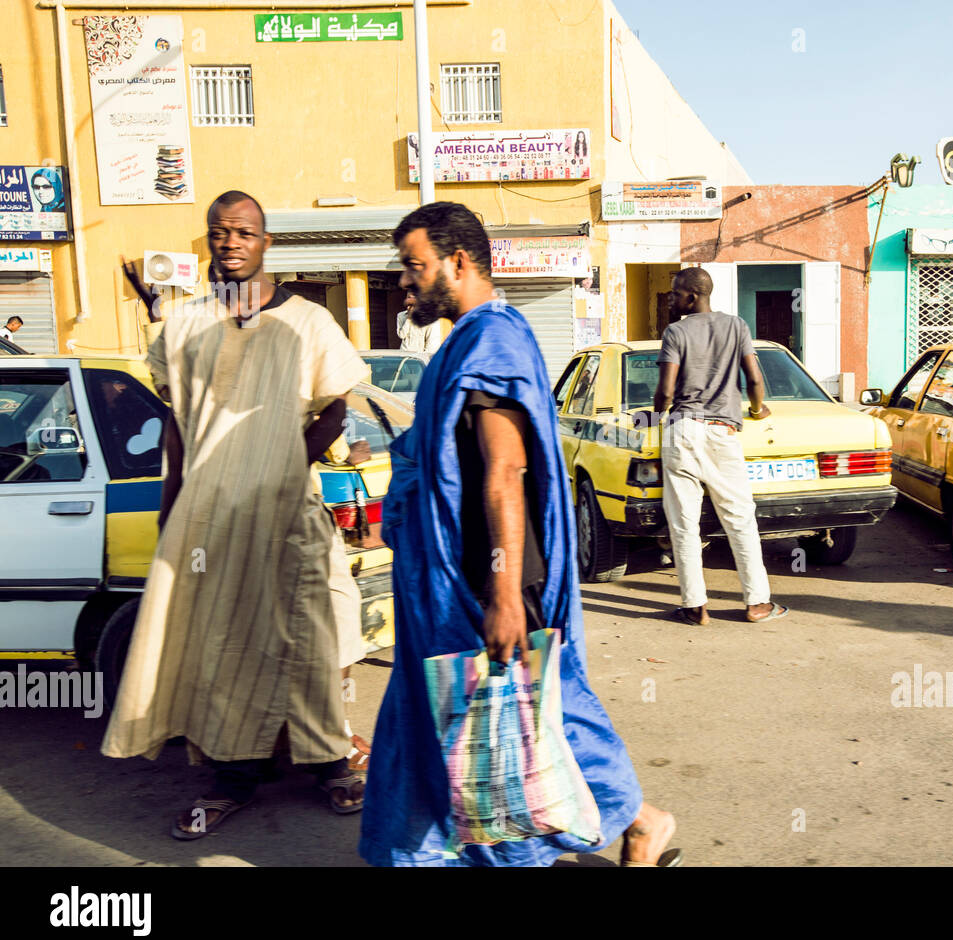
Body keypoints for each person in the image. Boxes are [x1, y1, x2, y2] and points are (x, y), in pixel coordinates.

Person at [360, 201, 679, 867]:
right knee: (442, 725)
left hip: (487, 579)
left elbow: (506, 468)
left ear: (459, 262)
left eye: (415, 267)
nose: (406, 282)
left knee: (532, 725)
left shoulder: (491, 341)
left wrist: (504, 590)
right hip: (444, 587)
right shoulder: (463, 342)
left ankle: (637, 820)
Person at [101, 189, 370, 839]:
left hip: (285, 511)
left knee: (312, 638)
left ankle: (330, 763)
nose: (230, 242)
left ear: (265, 241)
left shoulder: (307, 322)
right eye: (219, 232)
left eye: (243, 231)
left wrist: (285, 464)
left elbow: (336, 408)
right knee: (224, 646)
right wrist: (170, 510)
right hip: (210, 517)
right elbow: (174, 424)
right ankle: (234, 776)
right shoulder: (187, 324)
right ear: (209, 240)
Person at [653, 267, 788, 626]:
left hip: (683, 430)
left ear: (692, 297)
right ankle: (758, 603)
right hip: (723, 432)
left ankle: (695, 606)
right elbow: (755, 380)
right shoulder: (737, 326)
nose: (671, 298)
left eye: (675, 293)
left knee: (683, 524)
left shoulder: (675, 332)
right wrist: (758, 410)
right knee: (740, 519)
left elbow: (666, 392)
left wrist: (655, 416)